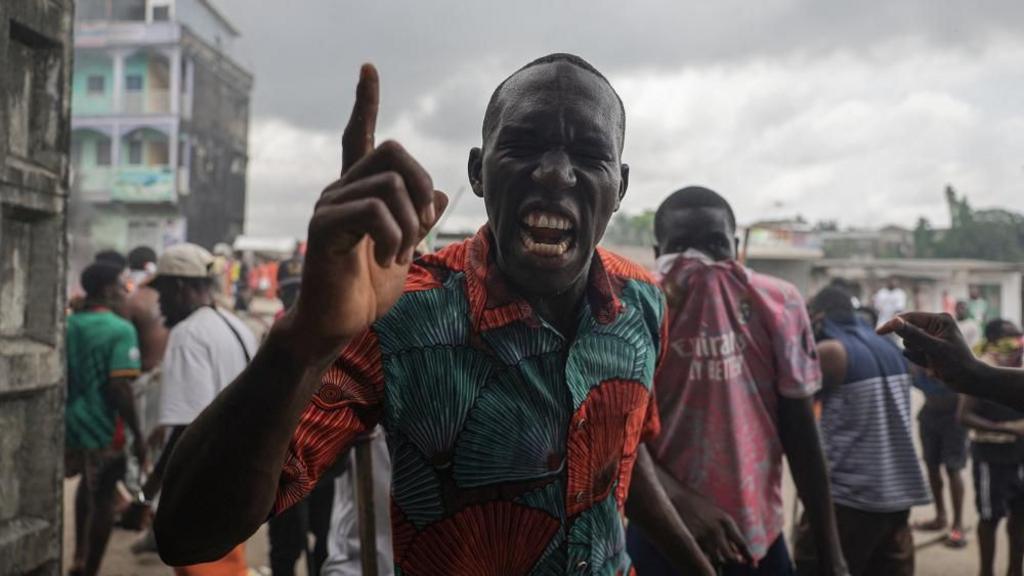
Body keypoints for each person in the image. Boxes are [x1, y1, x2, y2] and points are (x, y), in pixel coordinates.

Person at [155, 56, 714, 575]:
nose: (554, 174)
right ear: (477, 172)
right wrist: (304, 337)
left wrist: (692, 560)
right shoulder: (402, 314)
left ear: (620, 187)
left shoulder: (641, 300)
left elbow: (621, 442)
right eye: (522, 145)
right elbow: (189, 535)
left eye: (589, 156)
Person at [628, 186, 846, 576]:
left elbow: (801, 432)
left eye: (714, 245)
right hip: (661, 531)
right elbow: (611, 437)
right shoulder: (631, 309)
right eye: (682, 248)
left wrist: (832, 554)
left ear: (736, 247)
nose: (700, 262)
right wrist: (681, 503)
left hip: (757, 536)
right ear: (659, 254)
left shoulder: (778, 304)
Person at [794, 286, 930, 576]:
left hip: (850, 498)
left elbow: (794, 414)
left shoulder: (831, 351)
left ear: (818, 317)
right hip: (896, 499)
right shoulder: (889, 348)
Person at [144, 243, 258, 576]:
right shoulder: (235, 325)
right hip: (238, 477)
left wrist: (148, 491)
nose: (159, 303)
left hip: (203, 483)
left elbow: (188, 428)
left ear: (181, 288)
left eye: (162, 293)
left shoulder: (187, 333)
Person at [65, 262, 146, 576]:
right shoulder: (120, 330)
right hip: (103, 428)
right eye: (119, 285)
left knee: (86, 488)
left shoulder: (70, 325)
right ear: (107, 289)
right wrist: (138, 434)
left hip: (69, 424)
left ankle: (77, 554)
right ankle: (91, 567)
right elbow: (119, 386)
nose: (123, 290)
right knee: (103, 499)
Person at [266, 251, 338, 576]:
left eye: (302, 289)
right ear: (280, 293)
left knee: (326, 542)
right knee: (285, 546)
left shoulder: (337, 332)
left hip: (326, 459)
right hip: (283, 461)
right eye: (289, 290)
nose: (296, 296)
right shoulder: (272, 336)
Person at [959, 319, 1024, 576]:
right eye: (1012, 337)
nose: (1018, 342)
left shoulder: (1020, 367)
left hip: (1021, 456)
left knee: (1019, 517)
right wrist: (1008, 428)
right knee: (989, 517)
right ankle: (986, 571)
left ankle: (1014, 571)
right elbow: (963, 415)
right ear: (995, 340)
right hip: (991, 457)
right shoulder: (982, 368)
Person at [878, 313, 1024, 411]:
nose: (1017, 341)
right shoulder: (986, 360)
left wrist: (975, 375)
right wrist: (974, 375)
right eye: (1011, 336)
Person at [912, 364, 969, 548]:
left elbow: (965, 388)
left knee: (953, 469)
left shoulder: (948, 354)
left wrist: (962, 417)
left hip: (953, 417)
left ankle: (958, 524)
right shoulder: (911, 361)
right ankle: (940, 516)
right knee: (931, 466)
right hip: (930, 415)